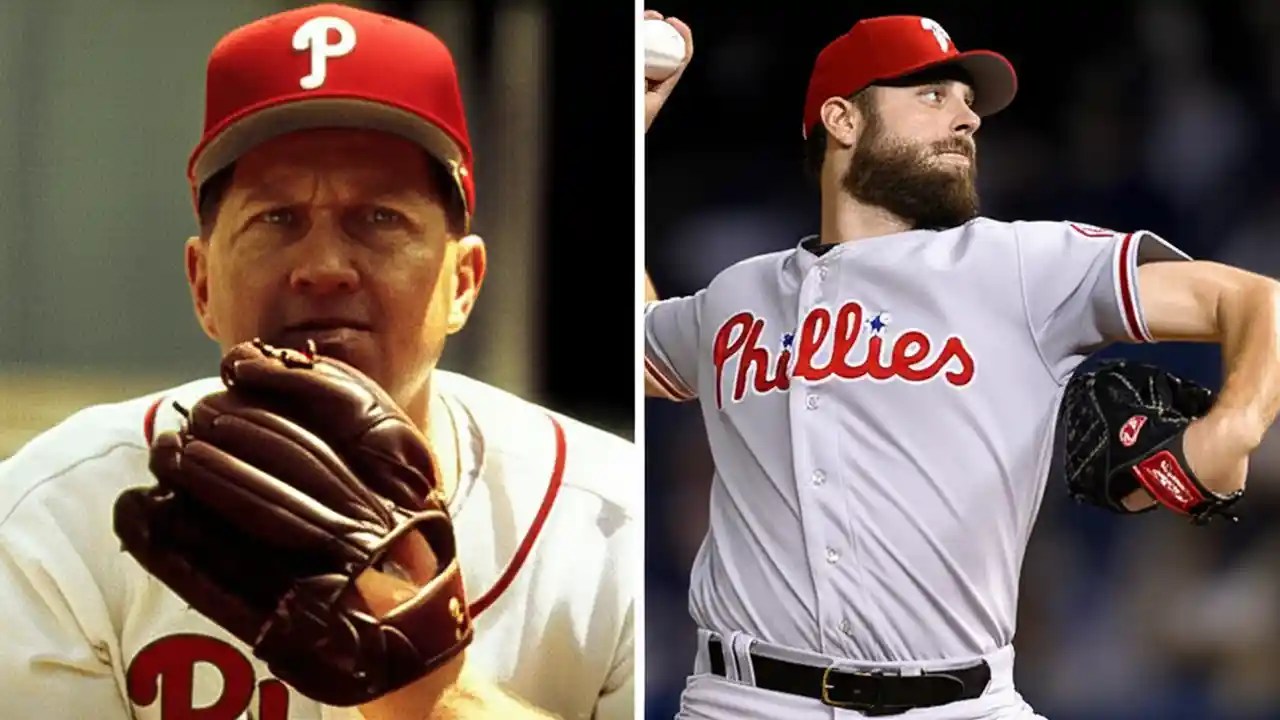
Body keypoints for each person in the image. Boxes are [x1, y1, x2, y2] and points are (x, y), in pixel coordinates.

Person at [0, 4, 636, 719]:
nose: (325, 268)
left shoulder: (611, 524)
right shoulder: (54, 517)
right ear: (202, 284)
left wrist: (440, 702)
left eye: (380, 218)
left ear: (462, 283)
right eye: (276, 218)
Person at [643, 10, 1280, 720]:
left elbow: (1257, 301)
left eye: (969, 103)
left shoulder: (1020, 264)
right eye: (932, 95)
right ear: (842, 120)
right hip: (741, 701)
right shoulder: (737, 292)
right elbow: (641, 338)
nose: (966, 118)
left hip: (961, 704)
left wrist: (1233, 426)